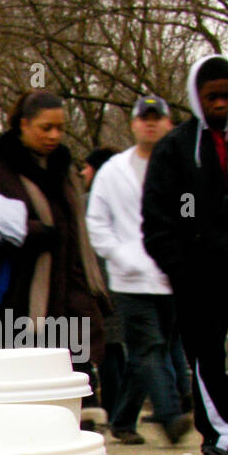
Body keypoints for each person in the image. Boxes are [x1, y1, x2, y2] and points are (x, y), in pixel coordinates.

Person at [0, 90, 139, 455]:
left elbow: (72, 236)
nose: (55, 135)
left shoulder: (61, 167)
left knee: (74, 373)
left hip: (65, 290)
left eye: (60, 127)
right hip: (12, 302)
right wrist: (29, 232)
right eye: (46, 127)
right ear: (23, 124)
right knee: (19, 388)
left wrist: (88, 294)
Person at [143, 55, 228, 455]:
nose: (220, 103)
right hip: (200, 276)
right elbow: (158, 220)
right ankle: (219, 442)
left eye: (227, 94)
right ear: (197, 98)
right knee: (206, 359)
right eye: (211, 96)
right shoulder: (176, 148)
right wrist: (181, 268)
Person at [86, 96, 192, 447]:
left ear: (168, 123)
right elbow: (97, 223)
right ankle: (170, 414)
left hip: (173, 275)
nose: (150, 124)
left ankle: (122, 419)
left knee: (149, 352)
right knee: (150, 347)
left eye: (157, 118)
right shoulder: (113, 172)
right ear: (133, 124)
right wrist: (119, 255)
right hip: (130, 278)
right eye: (143, 118)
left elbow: (193, 216)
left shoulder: (182, 167)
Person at [80, 146, 136, 436]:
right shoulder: (128, 199)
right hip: (121, 285)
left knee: (108, 354)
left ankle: (112, 414)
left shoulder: (87, 203)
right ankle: (120, 415)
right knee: (119, 352)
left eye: (87, 167)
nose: (82, 172)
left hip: (99, 289)